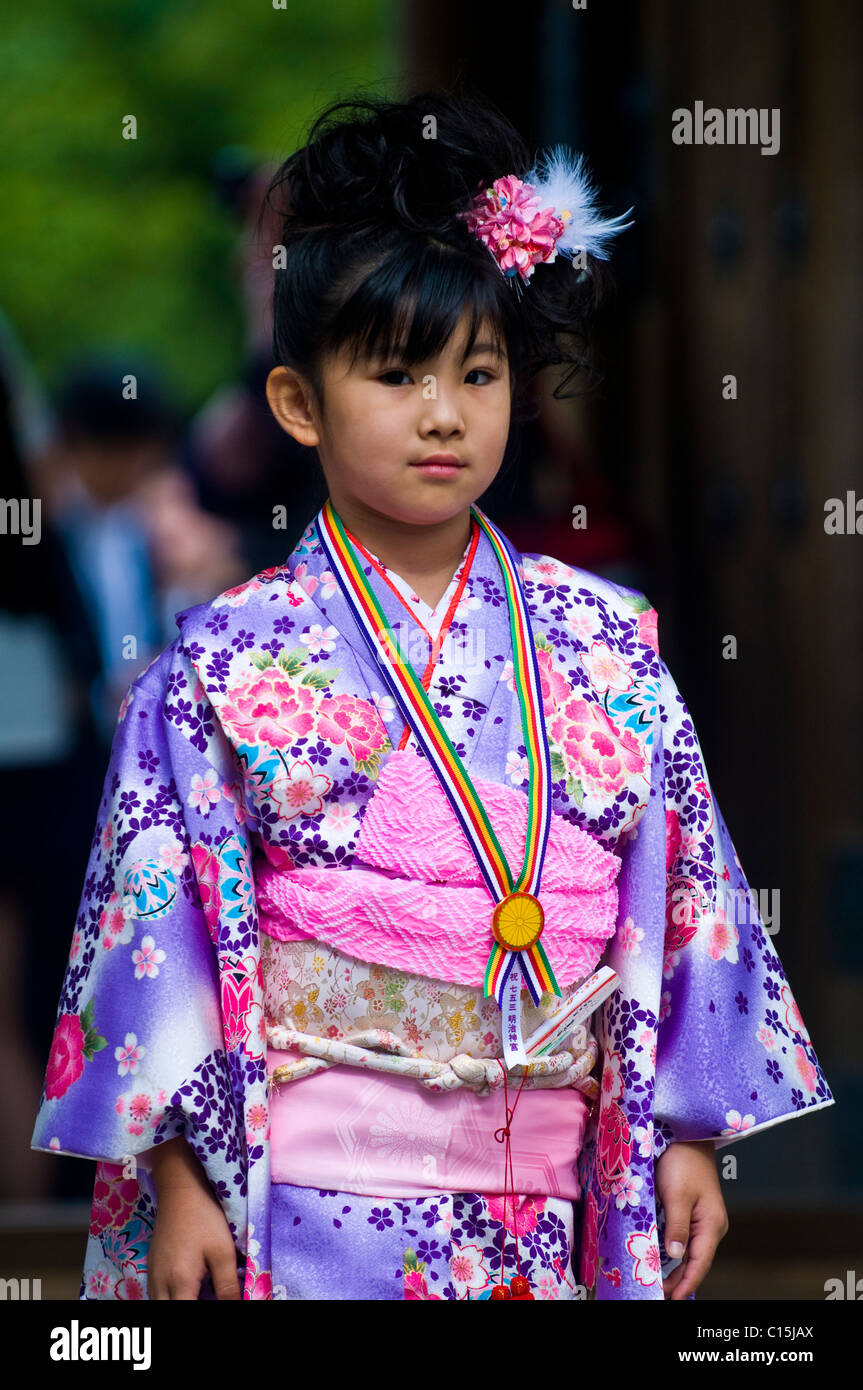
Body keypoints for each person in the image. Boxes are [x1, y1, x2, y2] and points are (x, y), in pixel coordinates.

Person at [31, 86, 834, 1302]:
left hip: (546, 1209)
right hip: (307, 1213)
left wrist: (688, 1128)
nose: (444, 414)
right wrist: (183, 1172)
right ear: (298, 403)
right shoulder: (224, 661)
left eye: (478, 370)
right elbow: (163, 927)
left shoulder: (605, 643)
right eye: (398, 374)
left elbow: (687, 887)